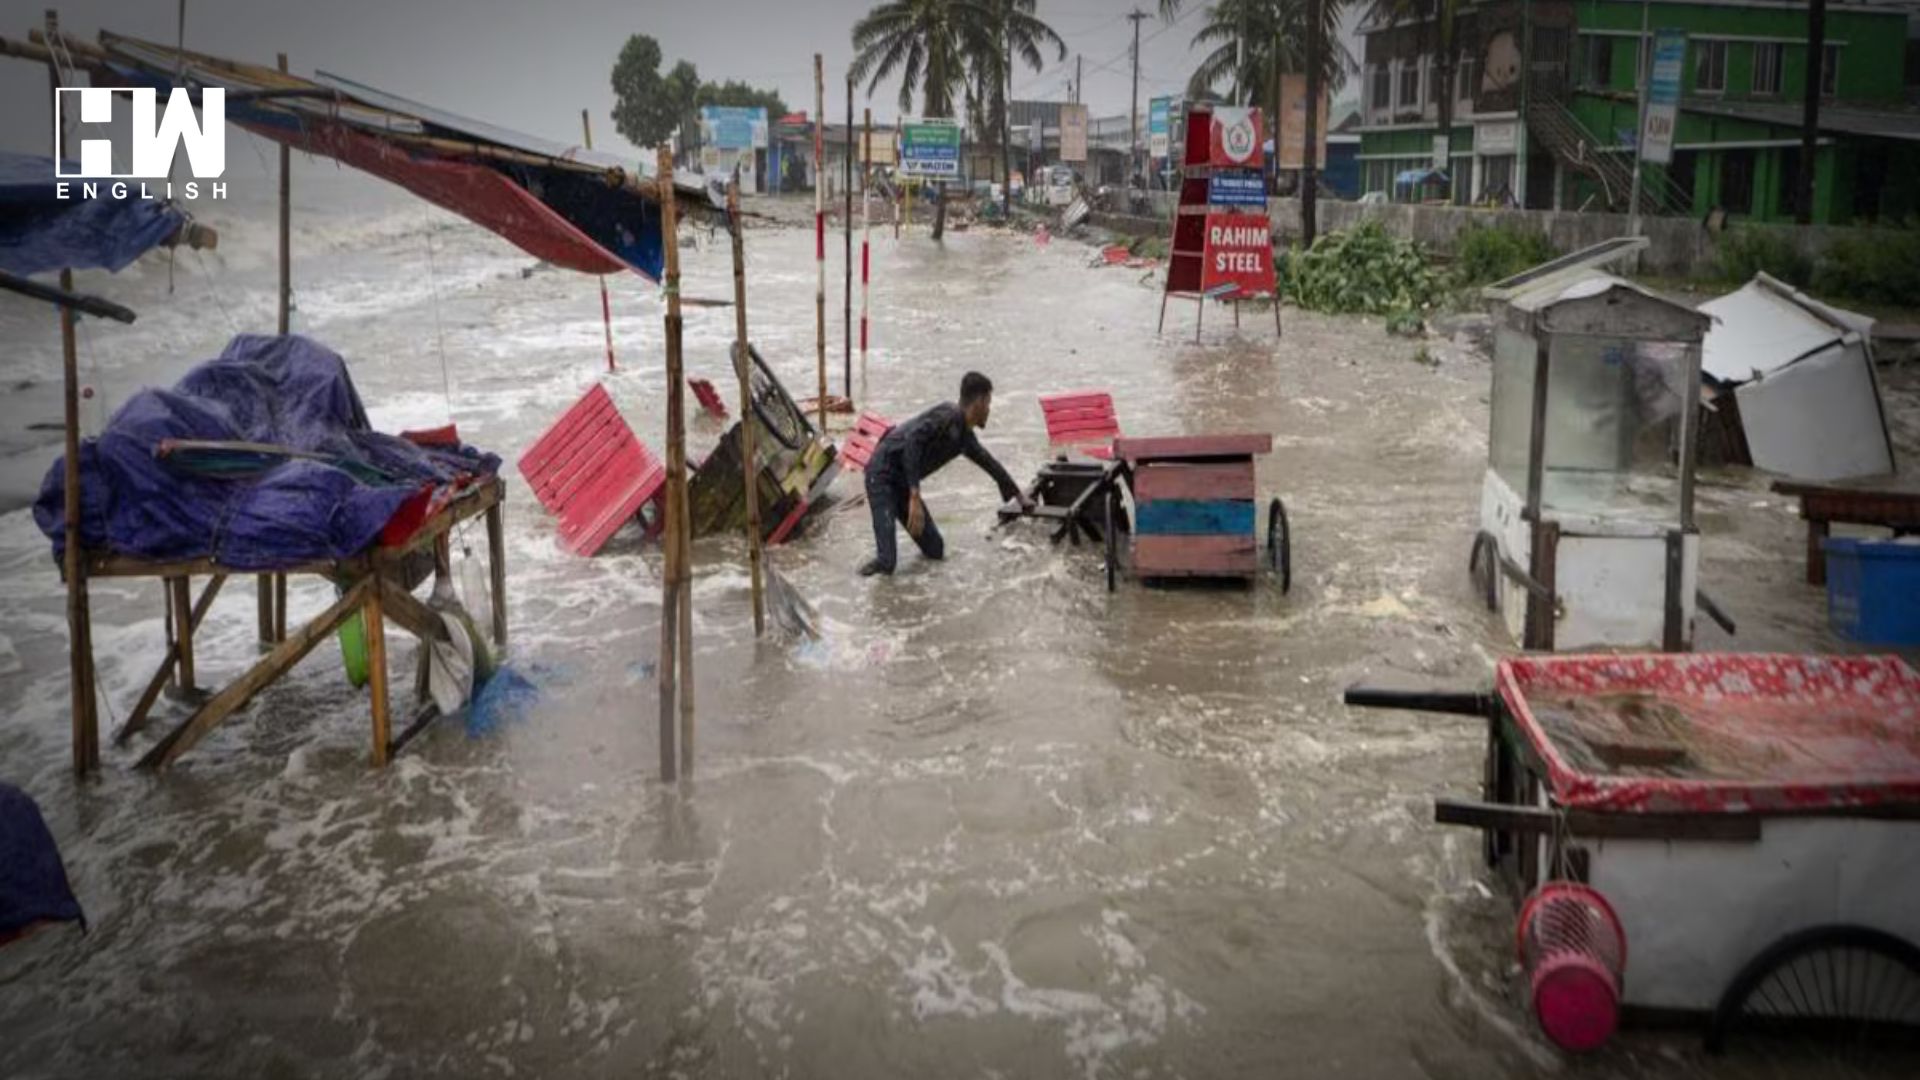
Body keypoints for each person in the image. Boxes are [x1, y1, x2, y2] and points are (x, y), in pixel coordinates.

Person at [860, 372, 1030, 577]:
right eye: (988, 403)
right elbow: (912, 442)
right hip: (881, 474)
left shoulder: (965, 438)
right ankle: (854, 589)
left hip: (904, 482)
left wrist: (1021, 498)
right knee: (886, 562)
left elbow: (991, 465)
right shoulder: (946, 416)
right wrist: (914, 495)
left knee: (935, 550)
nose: (989, 410)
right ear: (980, 401)